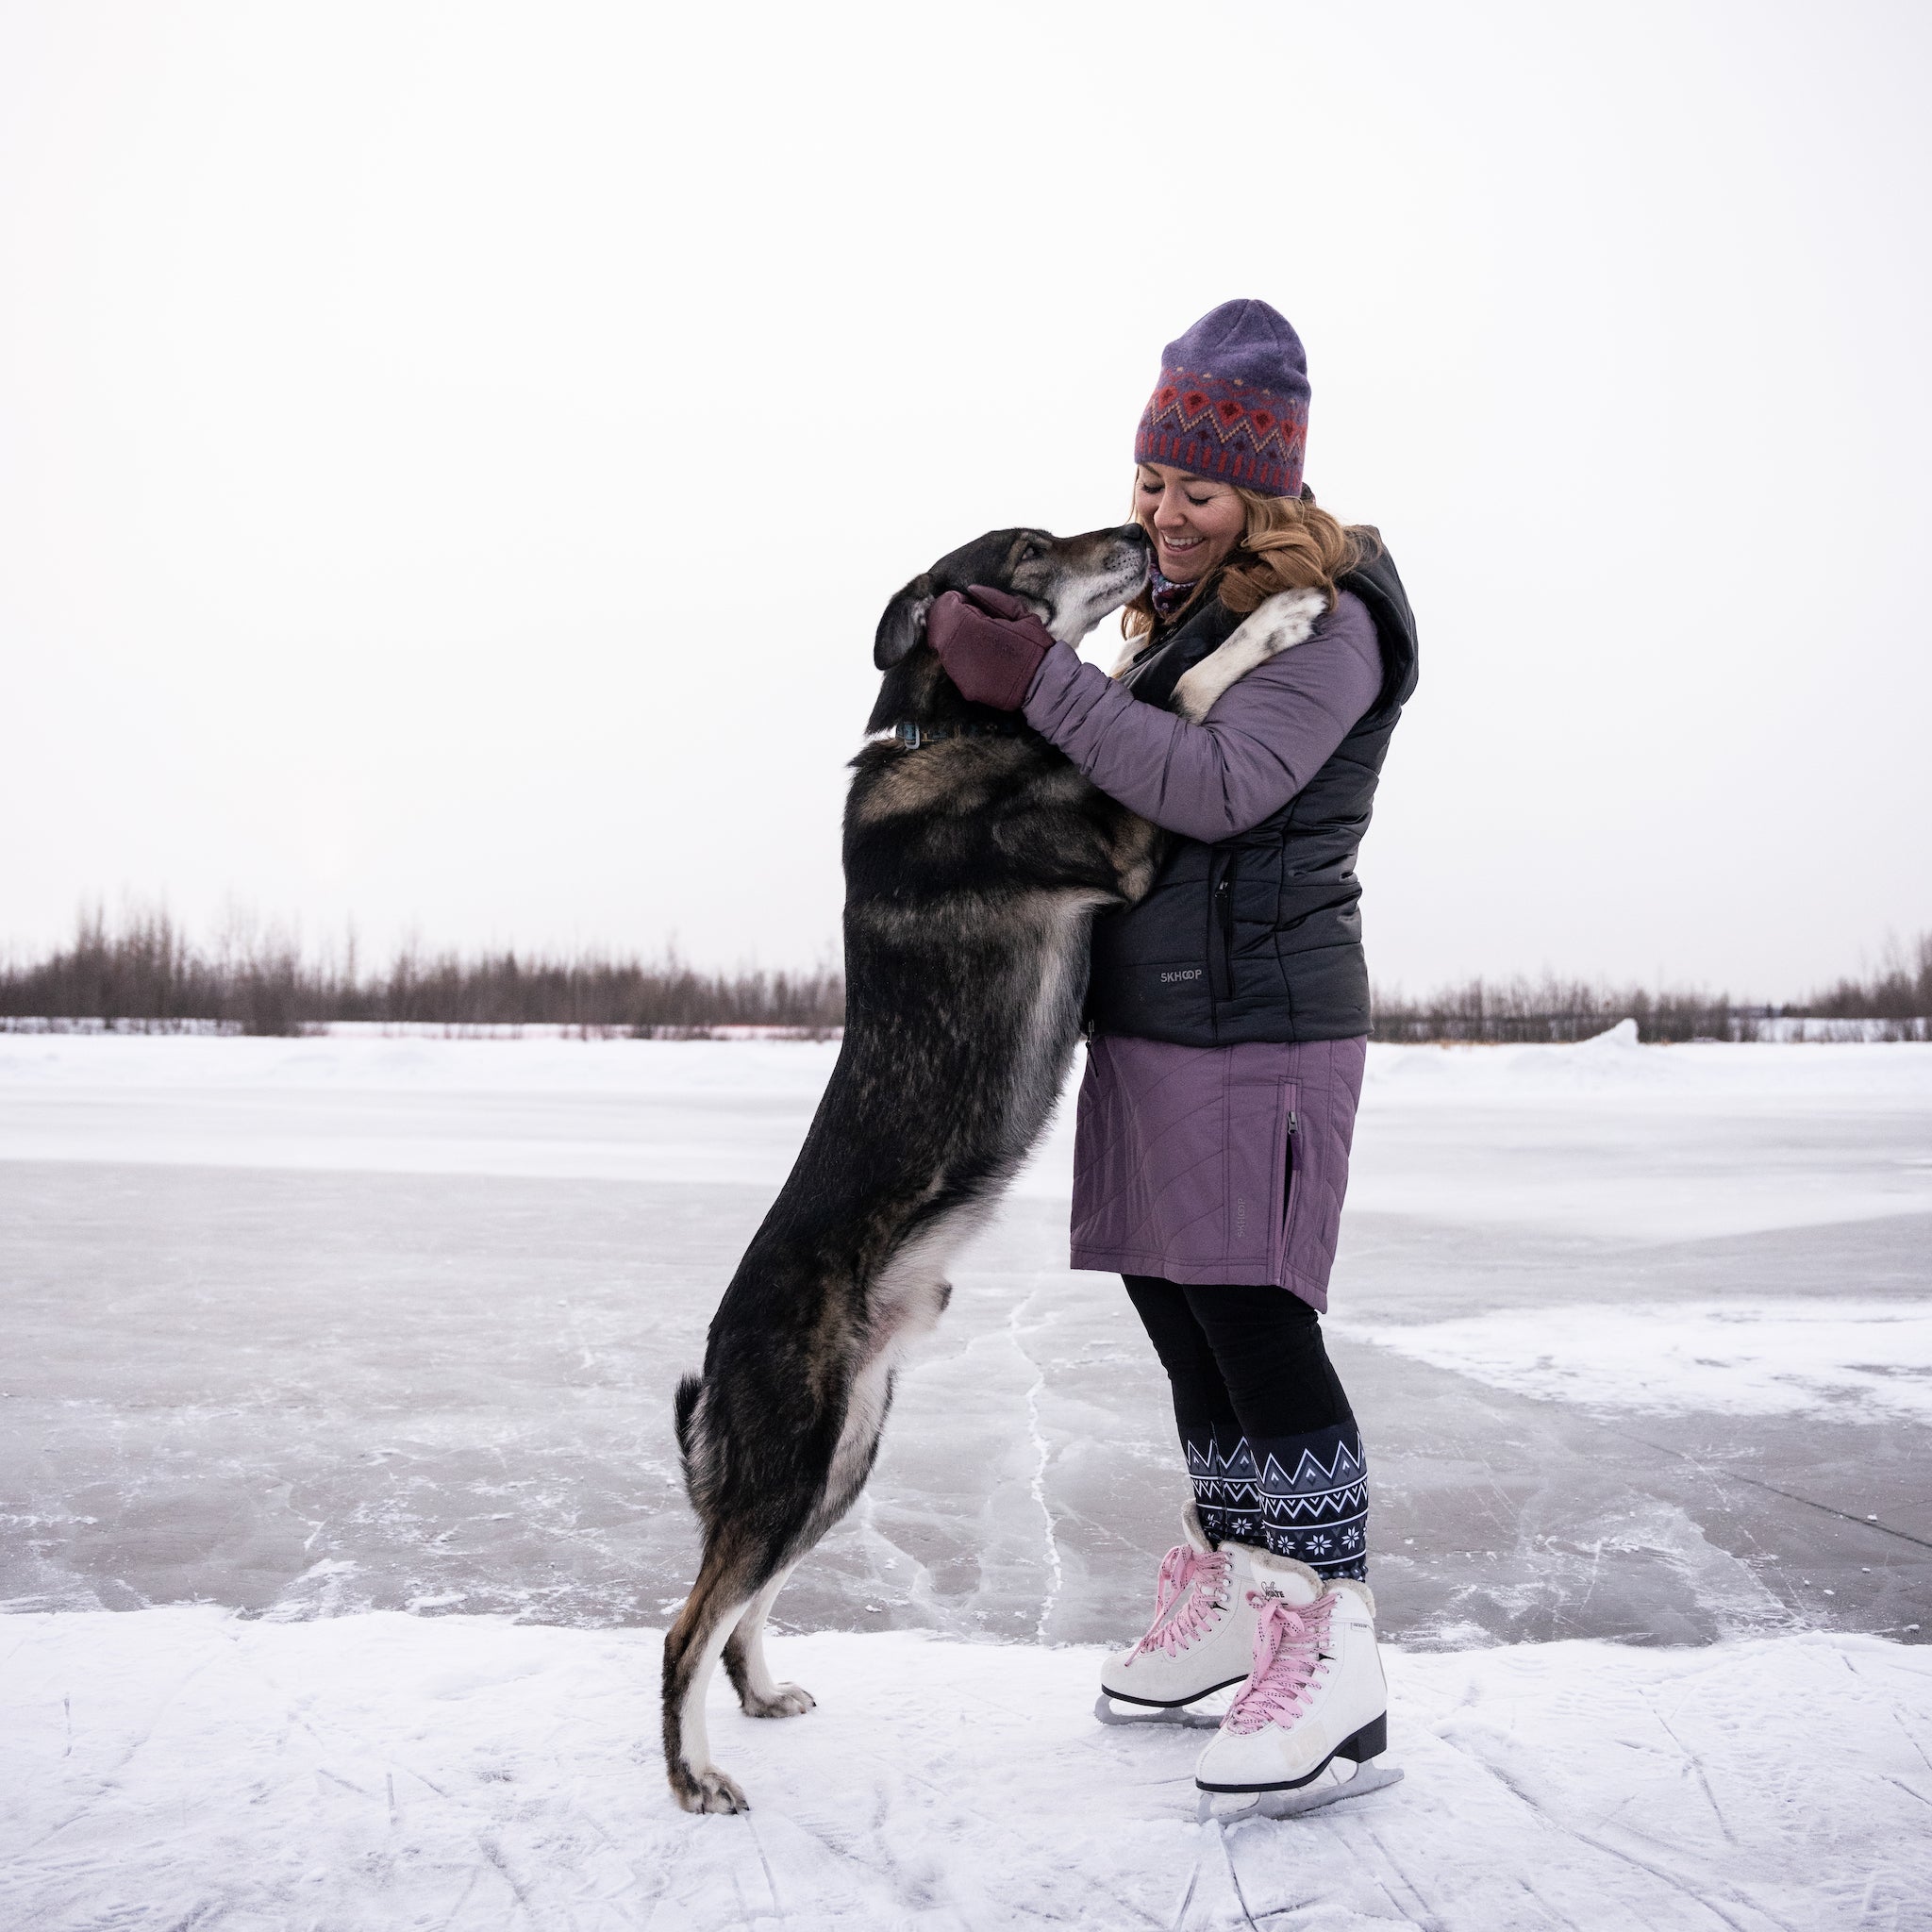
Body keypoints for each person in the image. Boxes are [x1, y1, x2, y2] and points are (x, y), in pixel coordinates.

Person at [924, 298, 1418, 1806]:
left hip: (1264, 1023)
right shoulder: (1183, 618)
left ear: (1265, 490)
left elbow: (1213, 787)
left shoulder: (1329, 625)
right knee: (1181, 1311)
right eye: (1151, 482)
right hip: (1156, 1018)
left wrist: (1045, 680)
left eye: (1198, 489)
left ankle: (1335, 1659)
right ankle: (1237, 1599)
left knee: (1254, 1319)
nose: (1165, 514)